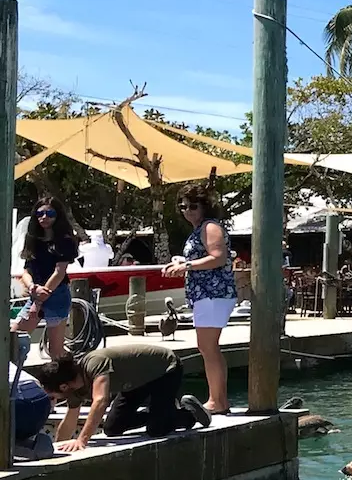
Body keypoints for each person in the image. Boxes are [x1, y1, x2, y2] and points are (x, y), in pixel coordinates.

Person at [36, 343, 211, 453]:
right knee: (112, 428)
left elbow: (101, 401)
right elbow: (69, 420)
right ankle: (164, 412)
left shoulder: (94, 363)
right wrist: (58, 449)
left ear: (64, 387)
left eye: (52, 396)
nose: (52, 400)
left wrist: (82, 440)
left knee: (156, 430)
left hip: (164, 370)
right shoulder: (74, 390)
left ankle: (188, 414)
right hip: (134, 382)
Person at [163, 184, 236, 415]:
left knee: (208, 347)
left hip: (213, 293)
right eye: (183, 206)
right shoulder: (199, 229)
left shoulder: (210, 226)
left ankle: (217, 402)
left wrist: (186, 265)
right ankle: (218, 400)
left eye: (193, 206)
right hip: (205, 294)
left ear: (205, 205)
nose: (187, 211)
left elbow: (218, 257)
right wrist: (182, 263)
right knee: (207, 348)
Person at [12, 195, 82, 360]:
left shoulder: (65, 241)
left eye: (50, 214)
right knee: (14, 337)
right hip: (35, 293)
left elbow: (59, 272)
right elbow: (27, 270)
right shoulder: (33, 239)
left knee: (55, 350)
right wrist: (32, 288)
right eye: (40, 214)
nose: (44, 217)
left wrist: (40, 299)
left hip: (56, 295)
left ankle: (69, 379)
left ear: (57, 216)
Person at [10, 359, 56, 460]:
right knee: (17, 436)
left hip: (18, 403)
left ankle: (13, 451)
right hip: (41, 399)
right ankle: (36, 446)